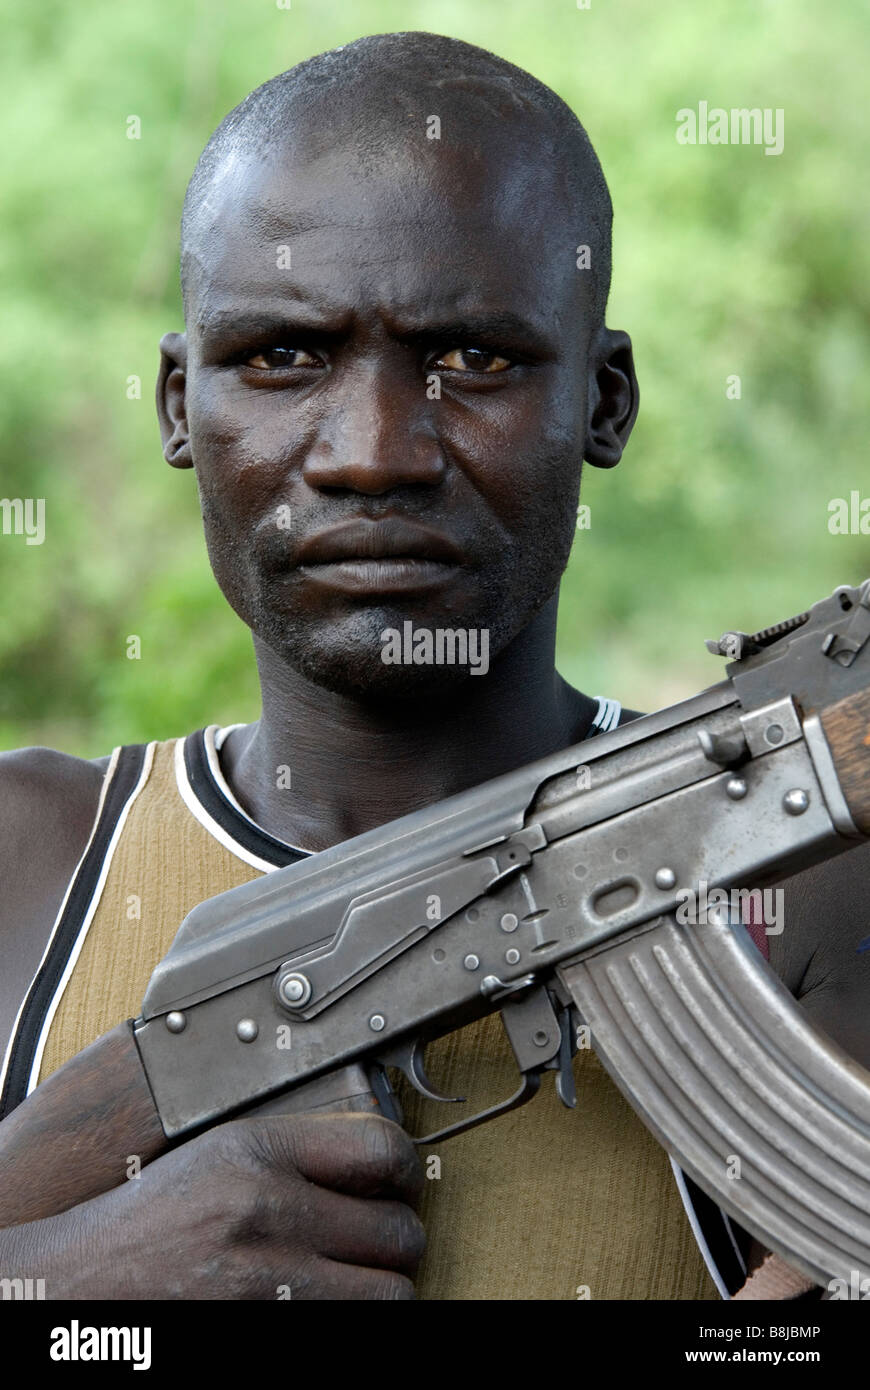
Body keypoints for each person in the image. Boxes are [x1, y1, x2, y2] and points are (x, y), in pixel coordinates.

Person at [1, 31, 867, 1301]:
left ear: (605, 403)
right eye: (282, 356)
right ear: (181, 408)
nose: (372, 454)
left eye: (474, 358)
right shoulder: (27, 866)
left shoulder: (811, 876)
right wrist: (67, 1294)